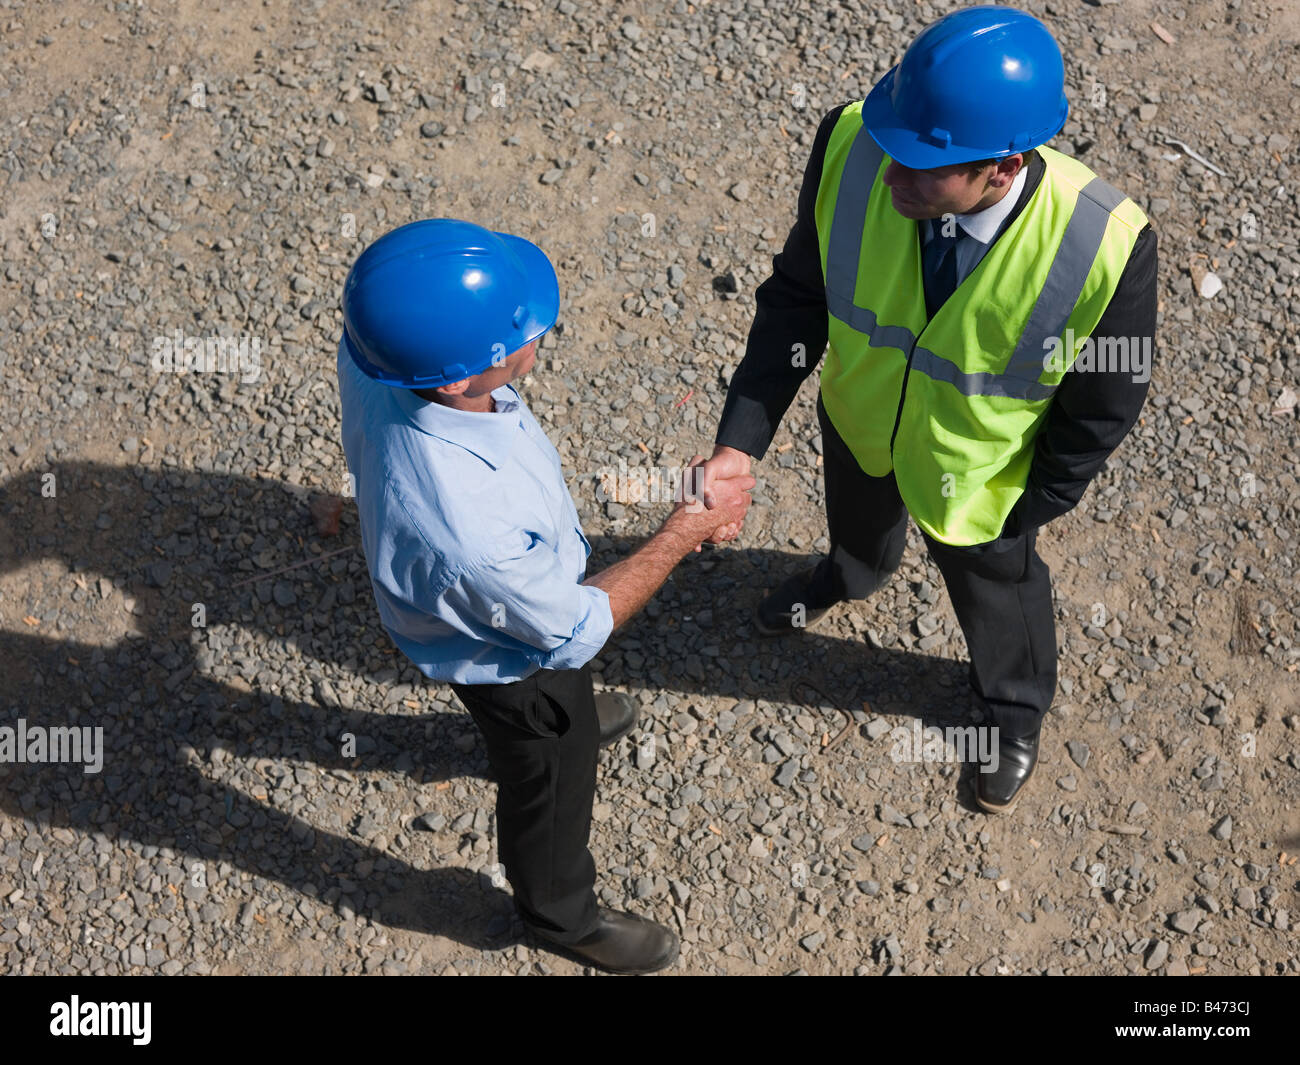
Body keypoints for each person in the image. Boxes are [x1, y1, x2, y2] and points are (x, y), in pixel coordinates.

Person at [697, 6, 1158, 814]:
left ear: (1004, 168)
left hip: (981, 477)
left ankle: (1012, 711)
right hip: (862, 420)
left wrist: (1035, 498)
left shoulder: (1105, 242)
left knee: (999, 593)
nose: (888, 179)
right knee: (857, 528)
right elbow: (798, 299)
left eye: (921, 170)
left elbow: (1105, 399)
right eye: (893, 150)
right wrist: (741, 439)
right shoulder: (854, 143)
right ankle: (852, 572)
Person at [336, 218, 753, 973]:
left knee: (568, 701)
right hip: (507, 656)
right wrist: (685, 529)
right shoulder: (466, 531)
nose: (540, 331)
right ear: (460, 378)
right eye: (521, 329)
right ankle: (558, 912)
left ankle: (575, 712)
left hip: (494, 601)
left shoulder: (382, 352)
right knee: (550, 756)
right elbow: (574, 629)